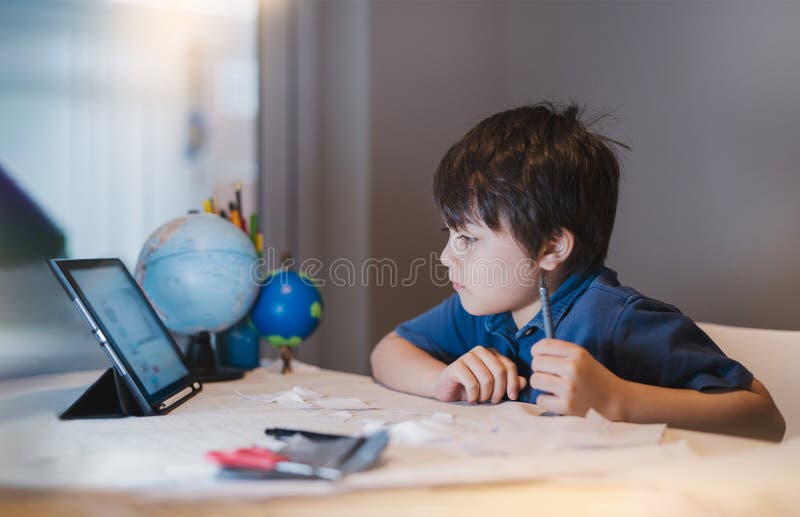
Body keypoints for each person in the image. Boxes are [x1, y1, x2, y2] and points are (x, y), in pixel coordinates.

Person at [370, 103, 785, 441]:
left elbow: (763, 416)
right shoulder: (485, 310)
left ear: (551, 247)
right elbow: (387, 351)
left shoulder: (614, 319)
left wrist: (616, 399)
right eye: (451, 234)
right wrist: (442, 379)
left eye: (469, 239)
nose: (445, 256)